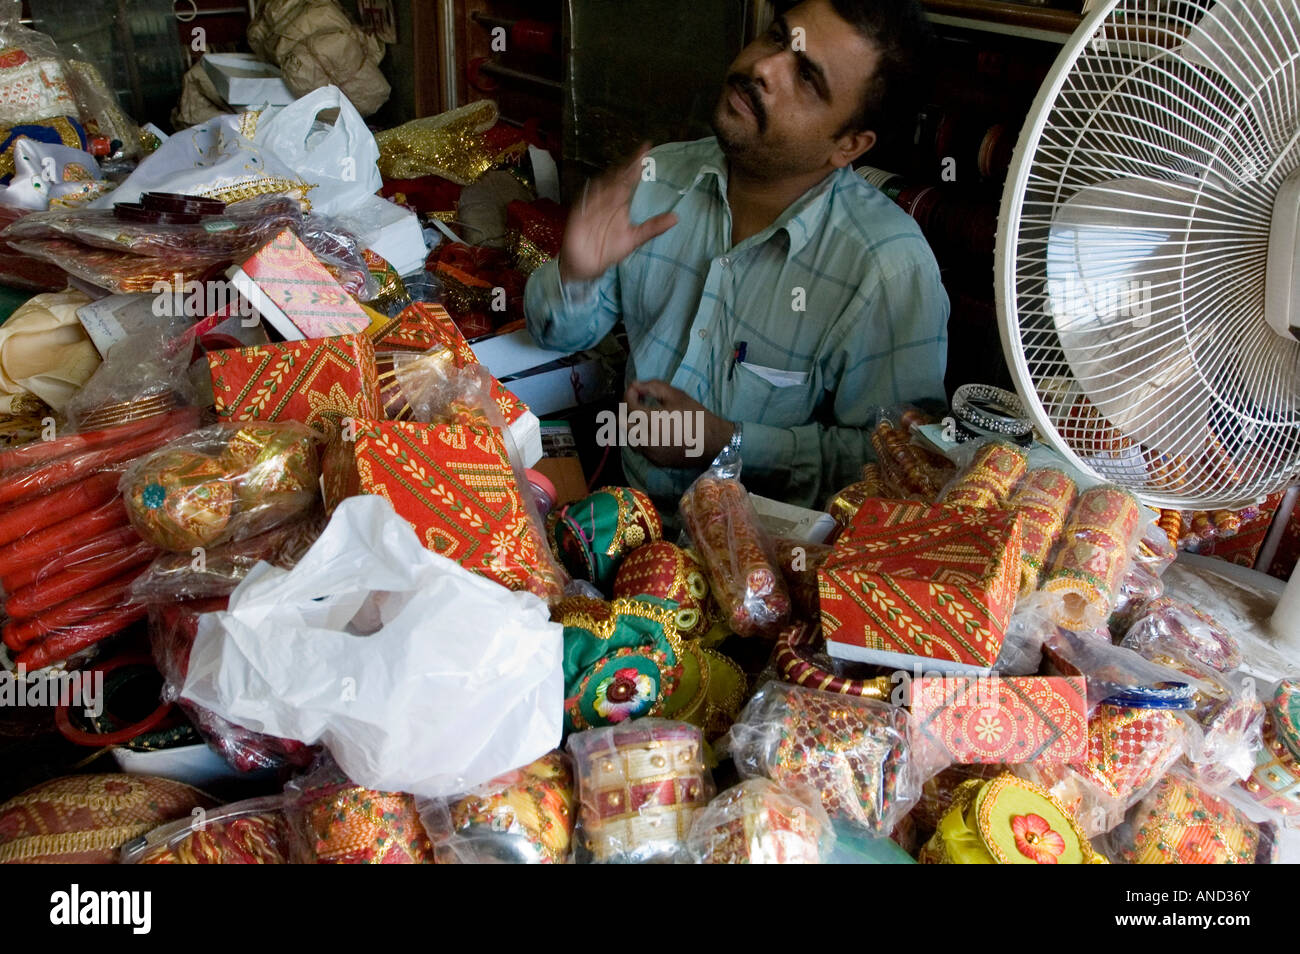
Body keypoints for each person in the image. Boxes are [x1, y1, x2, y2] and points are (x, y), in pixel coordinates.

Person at [524, 0, 949, 512]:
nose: (764, 69)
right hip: (615, 509)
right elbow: (555, 335)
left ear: (849, 145)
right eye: (776, 38)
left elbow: (903, 469)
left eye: (807, 78)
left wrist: (729, 441)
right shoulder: (659, 178)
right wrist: (576, 276)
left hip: (766, 568)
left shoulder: (887, 269)